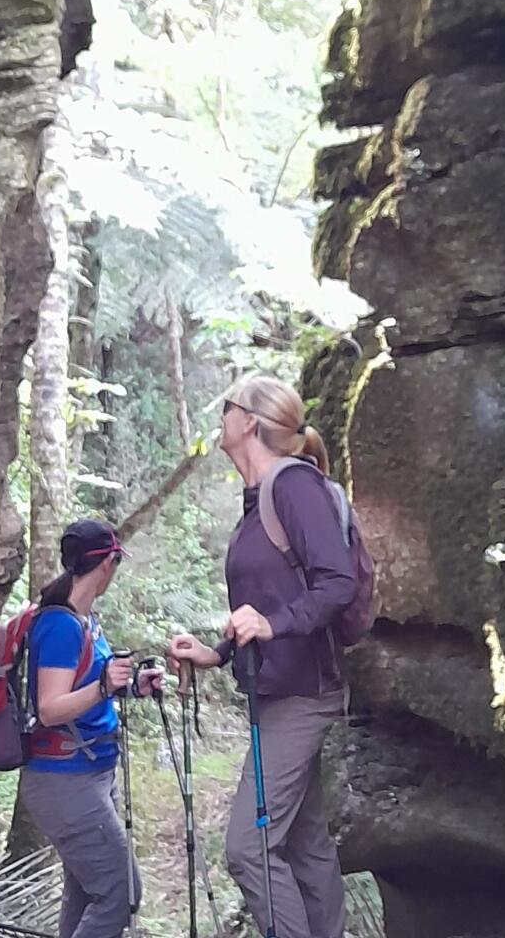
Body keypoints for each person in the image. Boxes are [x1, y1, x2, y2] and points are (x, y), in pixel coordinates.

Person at [167, 375, 356, 938]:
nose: (219, 416)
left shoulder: (294, 486)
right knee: (305, 843)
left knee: (248, 848)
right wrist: (217, 652)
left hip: (304, 695)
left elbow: (336, 582)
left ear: (247, 421)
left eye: (225, 407)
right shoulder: (258, 501)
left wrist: (272, 625)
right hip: (276, 689)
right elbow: (268, 602)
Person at [23, 518, 162, 938]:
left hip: (89, 773)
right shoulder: (61, 625)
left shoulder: (84, 619)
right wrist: (104, 686)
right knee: (120, 894)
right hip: (65, 780)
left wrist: (130, 687)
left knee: (87, 894)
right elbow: (49, 708)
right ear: (106, 565)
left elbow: (83, 692)